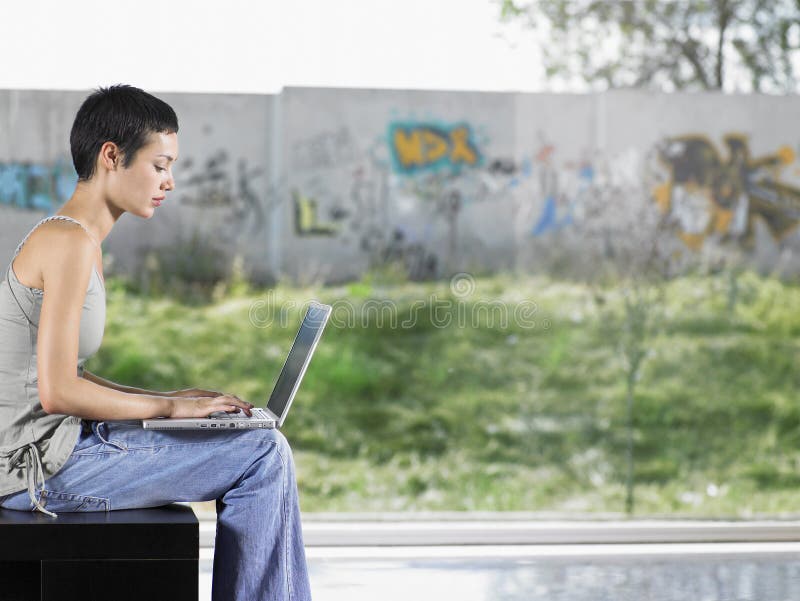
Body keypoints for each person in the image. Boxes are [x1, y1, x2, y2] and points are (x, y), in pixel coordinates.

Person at [0, 85, 312, 600]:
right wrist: (168, 408)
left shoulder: (76, 239)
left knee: (260, 446)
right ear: (111, 156)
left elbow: (61, 375)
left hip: (48, 455)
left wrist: (178, 404)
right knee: (264, 453)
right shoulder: (69, 242)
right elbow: (57, 393)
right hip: (41, 473)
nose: (169, 181)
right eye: (160, 164)